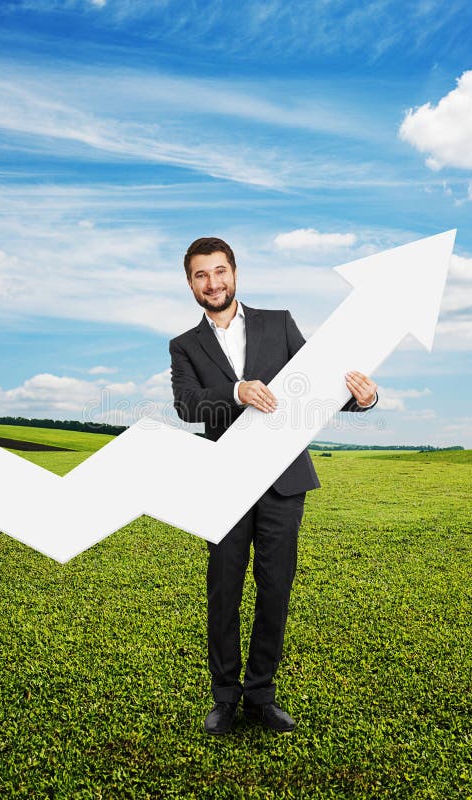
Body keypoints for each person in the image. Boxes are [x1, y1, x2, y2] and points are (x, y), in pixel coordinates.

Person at [168, 237, 378, 735]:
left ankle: (262, 694)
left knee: (275, 587)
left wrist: (362, 399)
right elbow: (187, 405)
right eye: (201, 275)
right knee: (223, 590)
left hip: (284, 480)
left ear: (234, 273)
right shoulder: (184, 345)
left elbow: (320, 386)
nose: (213, 283)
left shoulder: (278, 322)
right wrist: (236, 392)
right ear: (191, 283)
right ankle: (224, 698)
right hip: (224, 480)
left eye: (220, 271)